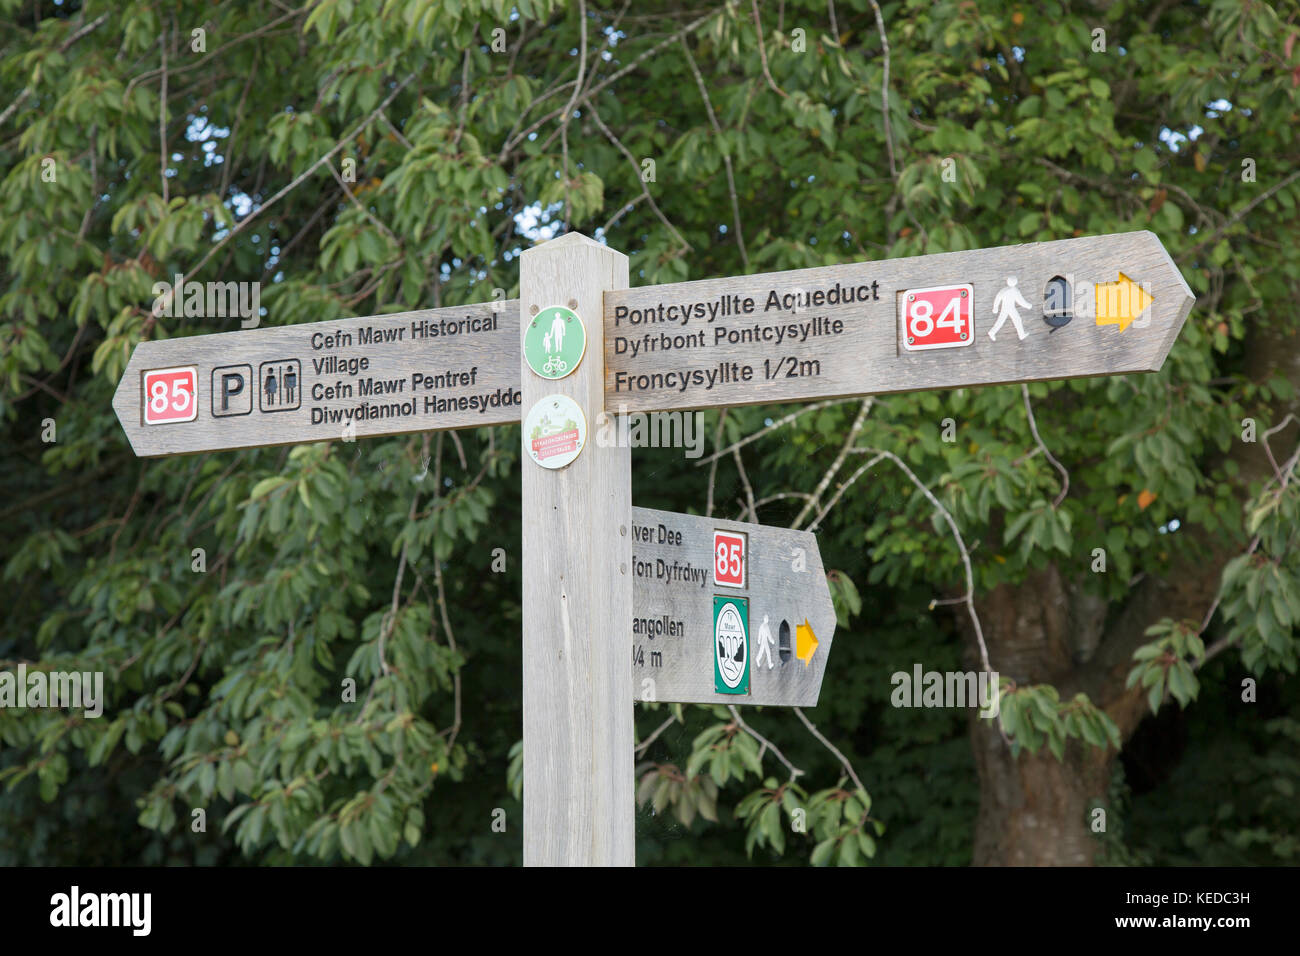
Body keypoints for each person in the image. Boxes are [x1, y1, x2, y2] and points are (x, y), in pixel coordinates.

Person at [989, 276, 1031, 342]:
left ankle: (1021, 334)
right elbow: (1021, 301)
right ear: (1016, 282)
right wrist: (1028, 305)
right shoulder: (1015, 291)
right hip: (1010, 308)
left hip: (1006, 308)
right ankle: (1021, 334)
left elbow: (997, 298)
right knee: (1014, 320)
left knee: (1005, 320)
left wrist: (995, 307)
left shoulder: (1004, 290)